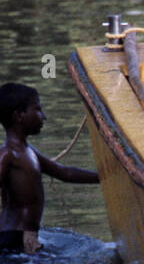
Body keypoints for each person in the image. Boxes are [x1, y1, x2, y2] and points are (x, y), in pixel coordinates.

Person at [0, 83, 99, 254]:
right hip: (13, 239)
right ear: (19, 116)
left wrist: (105, 177)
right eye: (37, 109)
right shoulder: (8, 154)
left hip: (25, 238)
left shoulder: (28, 151)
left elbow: (65, 173)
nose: (43, 117)